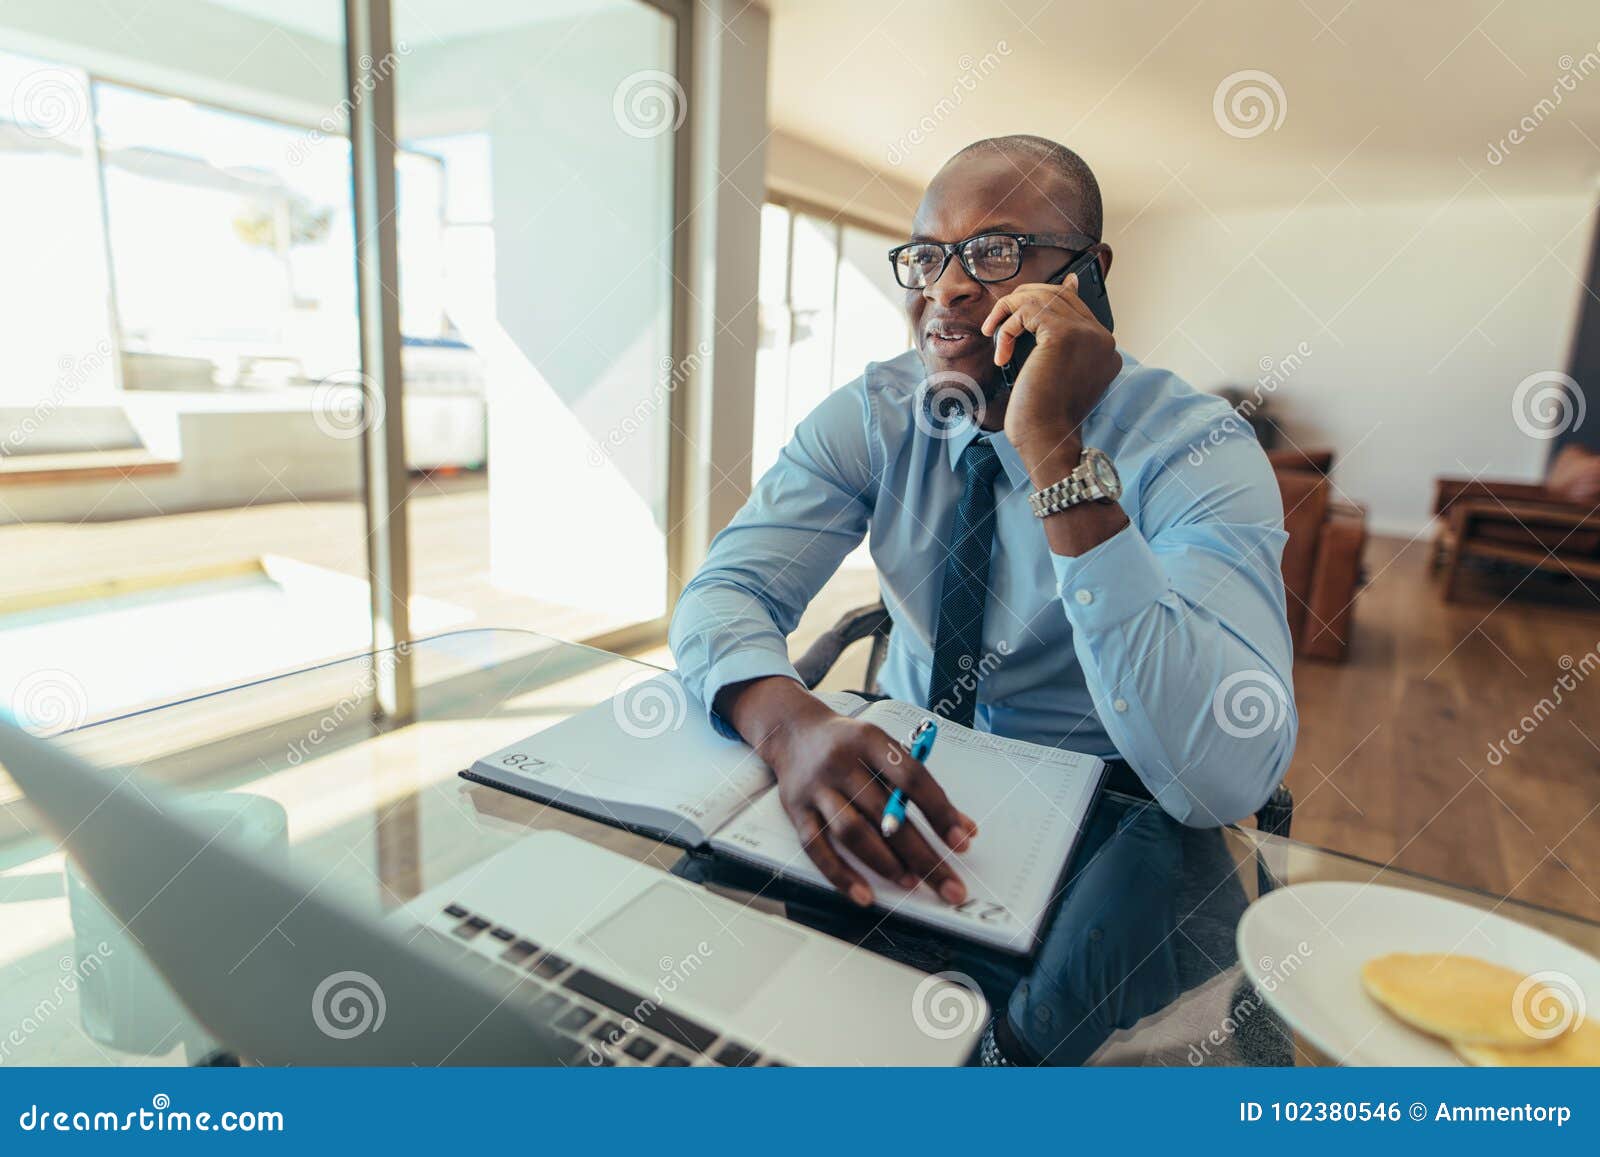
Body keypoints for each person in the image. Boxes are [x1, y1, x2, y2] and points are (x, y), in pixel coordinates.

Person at [668, 134, 1298, 1063]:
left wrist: (1052, 449)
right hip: (903, 771)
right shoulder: (878, 411)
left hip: (1108, 808)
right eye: (928, 256)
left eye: (995, 252)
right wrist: (790, 724)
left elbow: (1222, 777)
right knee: (712, 987)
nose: (949, 287)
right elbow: (727, 588)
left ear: (1089, 273)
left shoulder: (1195, 447)